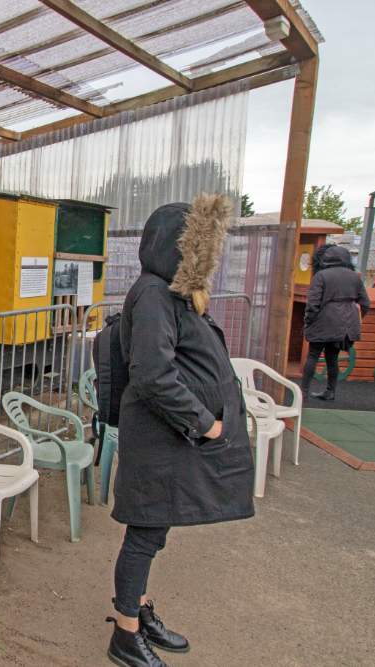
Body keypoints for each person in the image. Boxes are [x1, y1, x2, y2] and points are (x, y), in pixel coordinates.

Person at [107, 195, 255, 667]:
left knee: (155, 531)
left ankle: (140, 608)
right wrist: (206, 423)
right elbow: (152, 373)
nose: (206, 259)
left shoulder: (169, 292)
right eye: (198, 249)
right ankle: (126, 635)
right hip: (160, 442)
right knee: (144, 534)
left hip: (169, 442)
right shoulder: (153, 293)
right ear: (178, 247)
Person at [301, 244, 371, 401]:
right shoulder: (355, 277)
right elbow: (366, 303)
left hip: (324, 320)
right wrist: (356, 319)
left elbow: (313, 304)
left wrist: (308, 322)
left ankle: (303, 392)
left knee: (312, 356)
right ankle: (330, 391)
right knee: (332, 358)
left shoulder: (321, 275)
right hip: (346, 324)